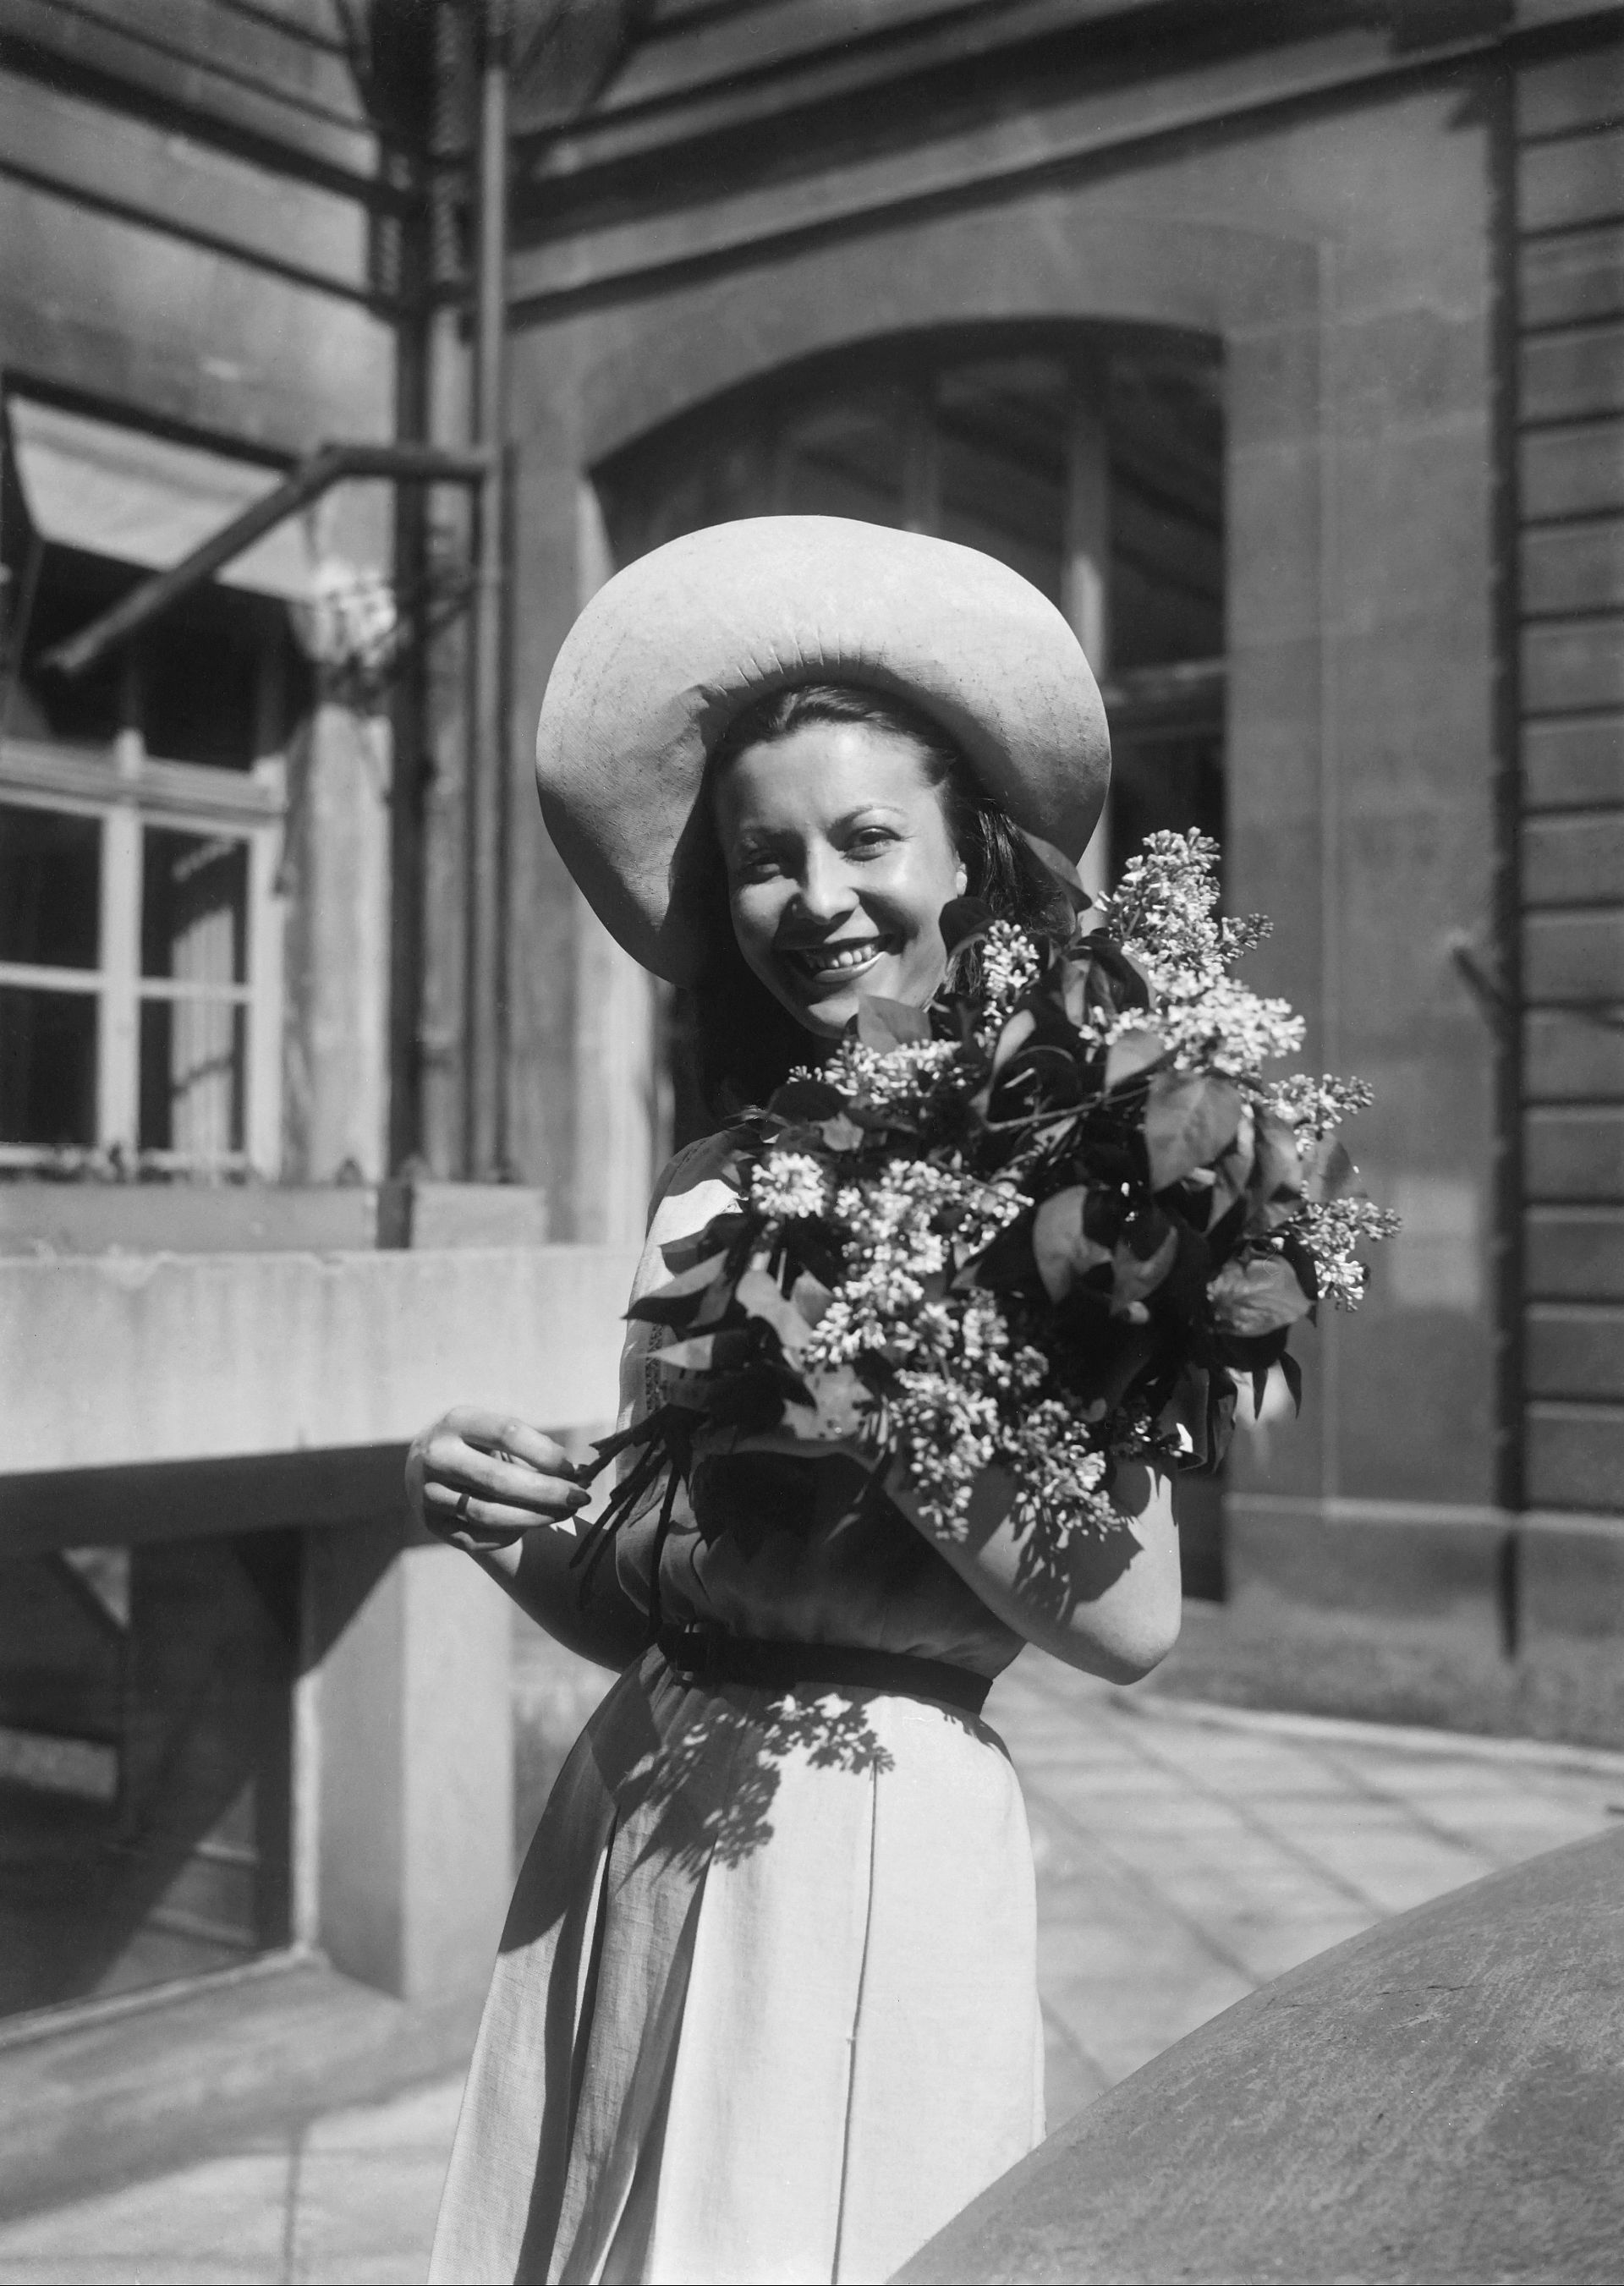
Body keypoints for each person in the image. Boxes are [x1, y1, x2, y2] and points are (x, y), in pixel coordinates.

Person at [409, 517, 1182, 2286]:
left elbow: (1136, 1613)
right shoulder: (709, 1181)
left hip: (873, 1844)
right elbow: (665, 1588)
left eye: (862, 839)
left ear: (965, 855)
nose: (812, 898)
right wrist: (494, 1514)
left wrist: (871, 1358)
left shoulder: (1077, 1176)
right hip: (643, 1810)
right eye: (764, 857)